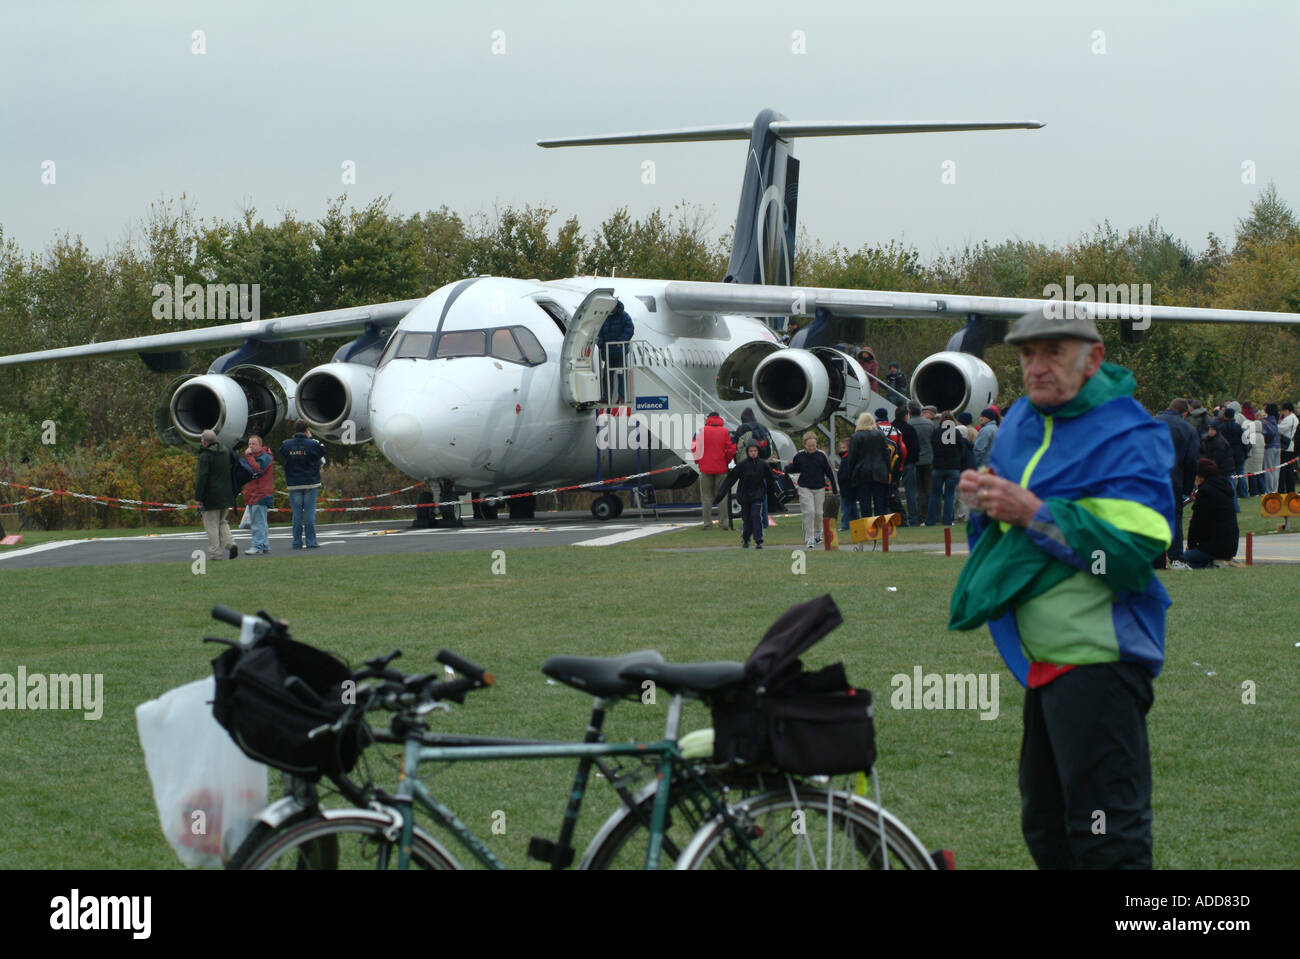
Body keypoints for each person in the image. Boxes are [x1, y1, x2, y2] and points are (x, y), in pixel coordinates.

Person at [950, 308, 1173, 869]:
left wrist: (1035, 513)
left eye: (1053, 352)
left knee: (1106, 837)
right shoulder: (1022, 421)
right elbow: (1005, 538)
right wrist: (983, 502)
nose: (1036, 367)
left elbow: (1132, 552)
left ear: (1093, 358)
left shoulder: (1130, 432)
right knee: (1046, 828)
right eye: (1027, 354)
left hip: (1102, 660)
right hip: (1043, 664)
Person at [1155, 398, 1199, 568]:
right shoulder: (1187, 429)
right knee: (1174, 518)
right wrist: (1188, 487)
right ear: (1185, 413)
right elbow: (1190, 461)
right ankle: (1175, 558)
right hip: (1173, 478)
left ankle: (1155, 559)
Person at [715, 441, 781, 548]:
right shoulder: (742, 465)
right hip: (744, 495)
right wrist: (720, 495)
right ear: (747, 452)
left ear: (758, 451)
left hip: (758, 494)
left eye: (755, 451)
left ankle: (758, 540)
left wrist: (780, 478)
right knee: (747, 519)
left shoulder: (763, 464)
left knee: (756, 516)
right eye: (751, 451)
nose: (753, 453)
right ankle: (746, 539)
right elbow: (730, 480)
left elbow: (771, 477)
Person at [785, 431, 840, 548]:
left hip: (819, 488)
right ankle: (809, 538)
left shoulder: (821, 455)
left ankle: (818, 533)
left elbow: (829, 472)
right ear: (805, 444)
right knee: (809, 512)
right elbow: (794, 468)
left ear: (816, 444)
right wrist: (788, 468)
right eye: (809, 446)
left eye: (814, 445)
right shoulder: (800, 456)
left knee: (819, 513)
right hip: (805, 487)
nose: (811, 448)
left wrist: (834, 488)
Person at [1182, 458, 1239, 568]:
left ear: (1200, 476)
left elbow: (1197, 524)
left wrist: (1191, 545)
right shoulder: (1224, 487)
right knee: (1193, 561)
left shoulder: (1205, 492)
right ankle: (1216, 563)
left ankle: (1213, 565)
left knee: (1182, 560)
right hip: (1230, 546)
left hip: (1212, 547)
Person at [280, 420, 326, 549]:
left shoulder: (287, 445)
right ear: (307, 430)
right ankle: (311, 541)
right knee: (310, 514)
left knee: (297, 515)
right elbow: (322, 450)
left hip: (294, 483)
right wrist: (311, 438)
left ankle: (296, 542)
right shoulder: (312, 444)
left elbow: (282, 452)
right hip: (310, 482)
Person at [195, 428, 239, 560]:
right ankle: (231, 544)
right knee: (222, 522)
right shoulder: (225, 452)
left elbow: (201, 478)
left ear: (204, 442)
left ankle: (216, 553)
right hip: (226, 494)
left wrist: (198, 497)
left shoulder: (205, 456)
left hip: (211, 496)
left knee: (211, 524)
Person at [692, 411, 736, 530]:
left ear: (708, 419)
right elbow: (731, 450)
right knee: (722, 496)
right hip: (721, 468)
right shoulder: (725, 431)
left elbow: (694, 447)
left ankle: (707, 524)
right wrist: (726, 461)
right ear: (719, 419)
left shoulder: (701, 431)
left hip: (705, 468)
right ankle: (723, 524)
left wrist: (698, 461)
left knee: (707, 497)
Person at [846, 412, 890, 519]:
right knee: (880, 503)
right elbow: (886, 454)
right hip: (880, 472)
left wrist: (850, 474)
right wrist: (888, 470)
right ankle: (880, 529)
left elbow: (852, 458)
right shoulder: (880, 434)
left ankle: (868, 530)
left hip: (862, 473)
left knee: (865, 504)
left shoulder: (856, 437)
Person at [236, 435, 274, 555]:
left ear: (260, 445)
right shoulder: (254, 457)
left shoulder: (265, 457)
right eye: (249, 444)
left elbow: (257, 469)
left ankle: (257, 545)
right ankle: (264, 545)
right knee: (260, 522)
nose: (251, 446)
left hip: (261, 493)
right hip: (252, 493)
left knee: (258, 523)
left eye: (253, 444)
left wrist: (249, 456)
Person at [926, 411, 962, 526]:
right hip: (953, 467)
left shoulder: (936, 432)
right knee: (949, 495)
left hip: (938, 466)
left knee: (935, 495)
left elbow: (932, 446)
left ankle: (931, 520)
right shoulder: (956, 433)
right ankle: (948, 520)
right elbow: (961, 449)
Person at [596, 300, 635, 403]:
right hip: (608, 353)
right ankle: (607, 397)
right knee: (606, 377)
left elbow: (630, 329)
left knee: (621, 375)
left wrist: (619, 342)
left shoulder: (623, 316)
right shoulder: (605, 317)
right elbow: (600, 333)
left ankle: (621, 398)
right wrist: (600, 344)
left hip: (620, 352)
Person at [906, 401, 935, 525]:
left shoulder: (908, 424)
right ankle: (930, 515)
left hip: (914, 460)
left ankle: (919, 516)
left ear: (909, 412)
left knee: (917, 490)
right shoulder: (930, 424)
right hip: (929, 459)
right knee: (929, 489)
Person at [893, 404, 919, 526]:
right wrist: (913, 460)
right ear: (906, 416)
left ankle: (896, 517)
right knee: (911, 492)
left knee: (893, 490)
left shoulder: (891, 428)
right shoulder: (910, 429)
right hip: (908, 463)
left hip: (894, 463)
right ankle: (913, 518)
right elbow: (915, 448)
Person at [836, 438, 857, 532]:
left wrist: (840, 479)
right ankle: (856, 523)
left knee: (845, 507)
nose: (841, 449)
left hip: (846, 487)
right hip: (851, 487)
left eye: (843, 447)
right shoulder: (851, 457)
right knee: (853, 507)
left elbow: (844, 474)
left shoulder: (846, 459)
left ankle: (845, 525)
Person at [1261, 403, 1282, 494]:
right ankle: (1275, 489)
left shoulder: (1264, 422)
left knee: (1269, 469)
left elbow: (1264, 434)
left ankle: (1270, 490)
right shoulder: (1276, 421)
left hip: (1269, 447)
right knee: (1276, 469)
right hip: (1278, 446)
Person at [1279, 401, 1298, 494]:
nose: (1283, 413)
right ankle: (1291, 489)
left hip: (1286, 447)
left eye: (1284, 410)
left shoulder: (1289, 419)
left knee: (1283, 469)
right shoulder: (1295, 418)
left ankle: (1282, 488)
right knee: (1290, 469)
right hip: (1292, 446)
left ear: (1287, 410)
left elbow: (1280, 429)